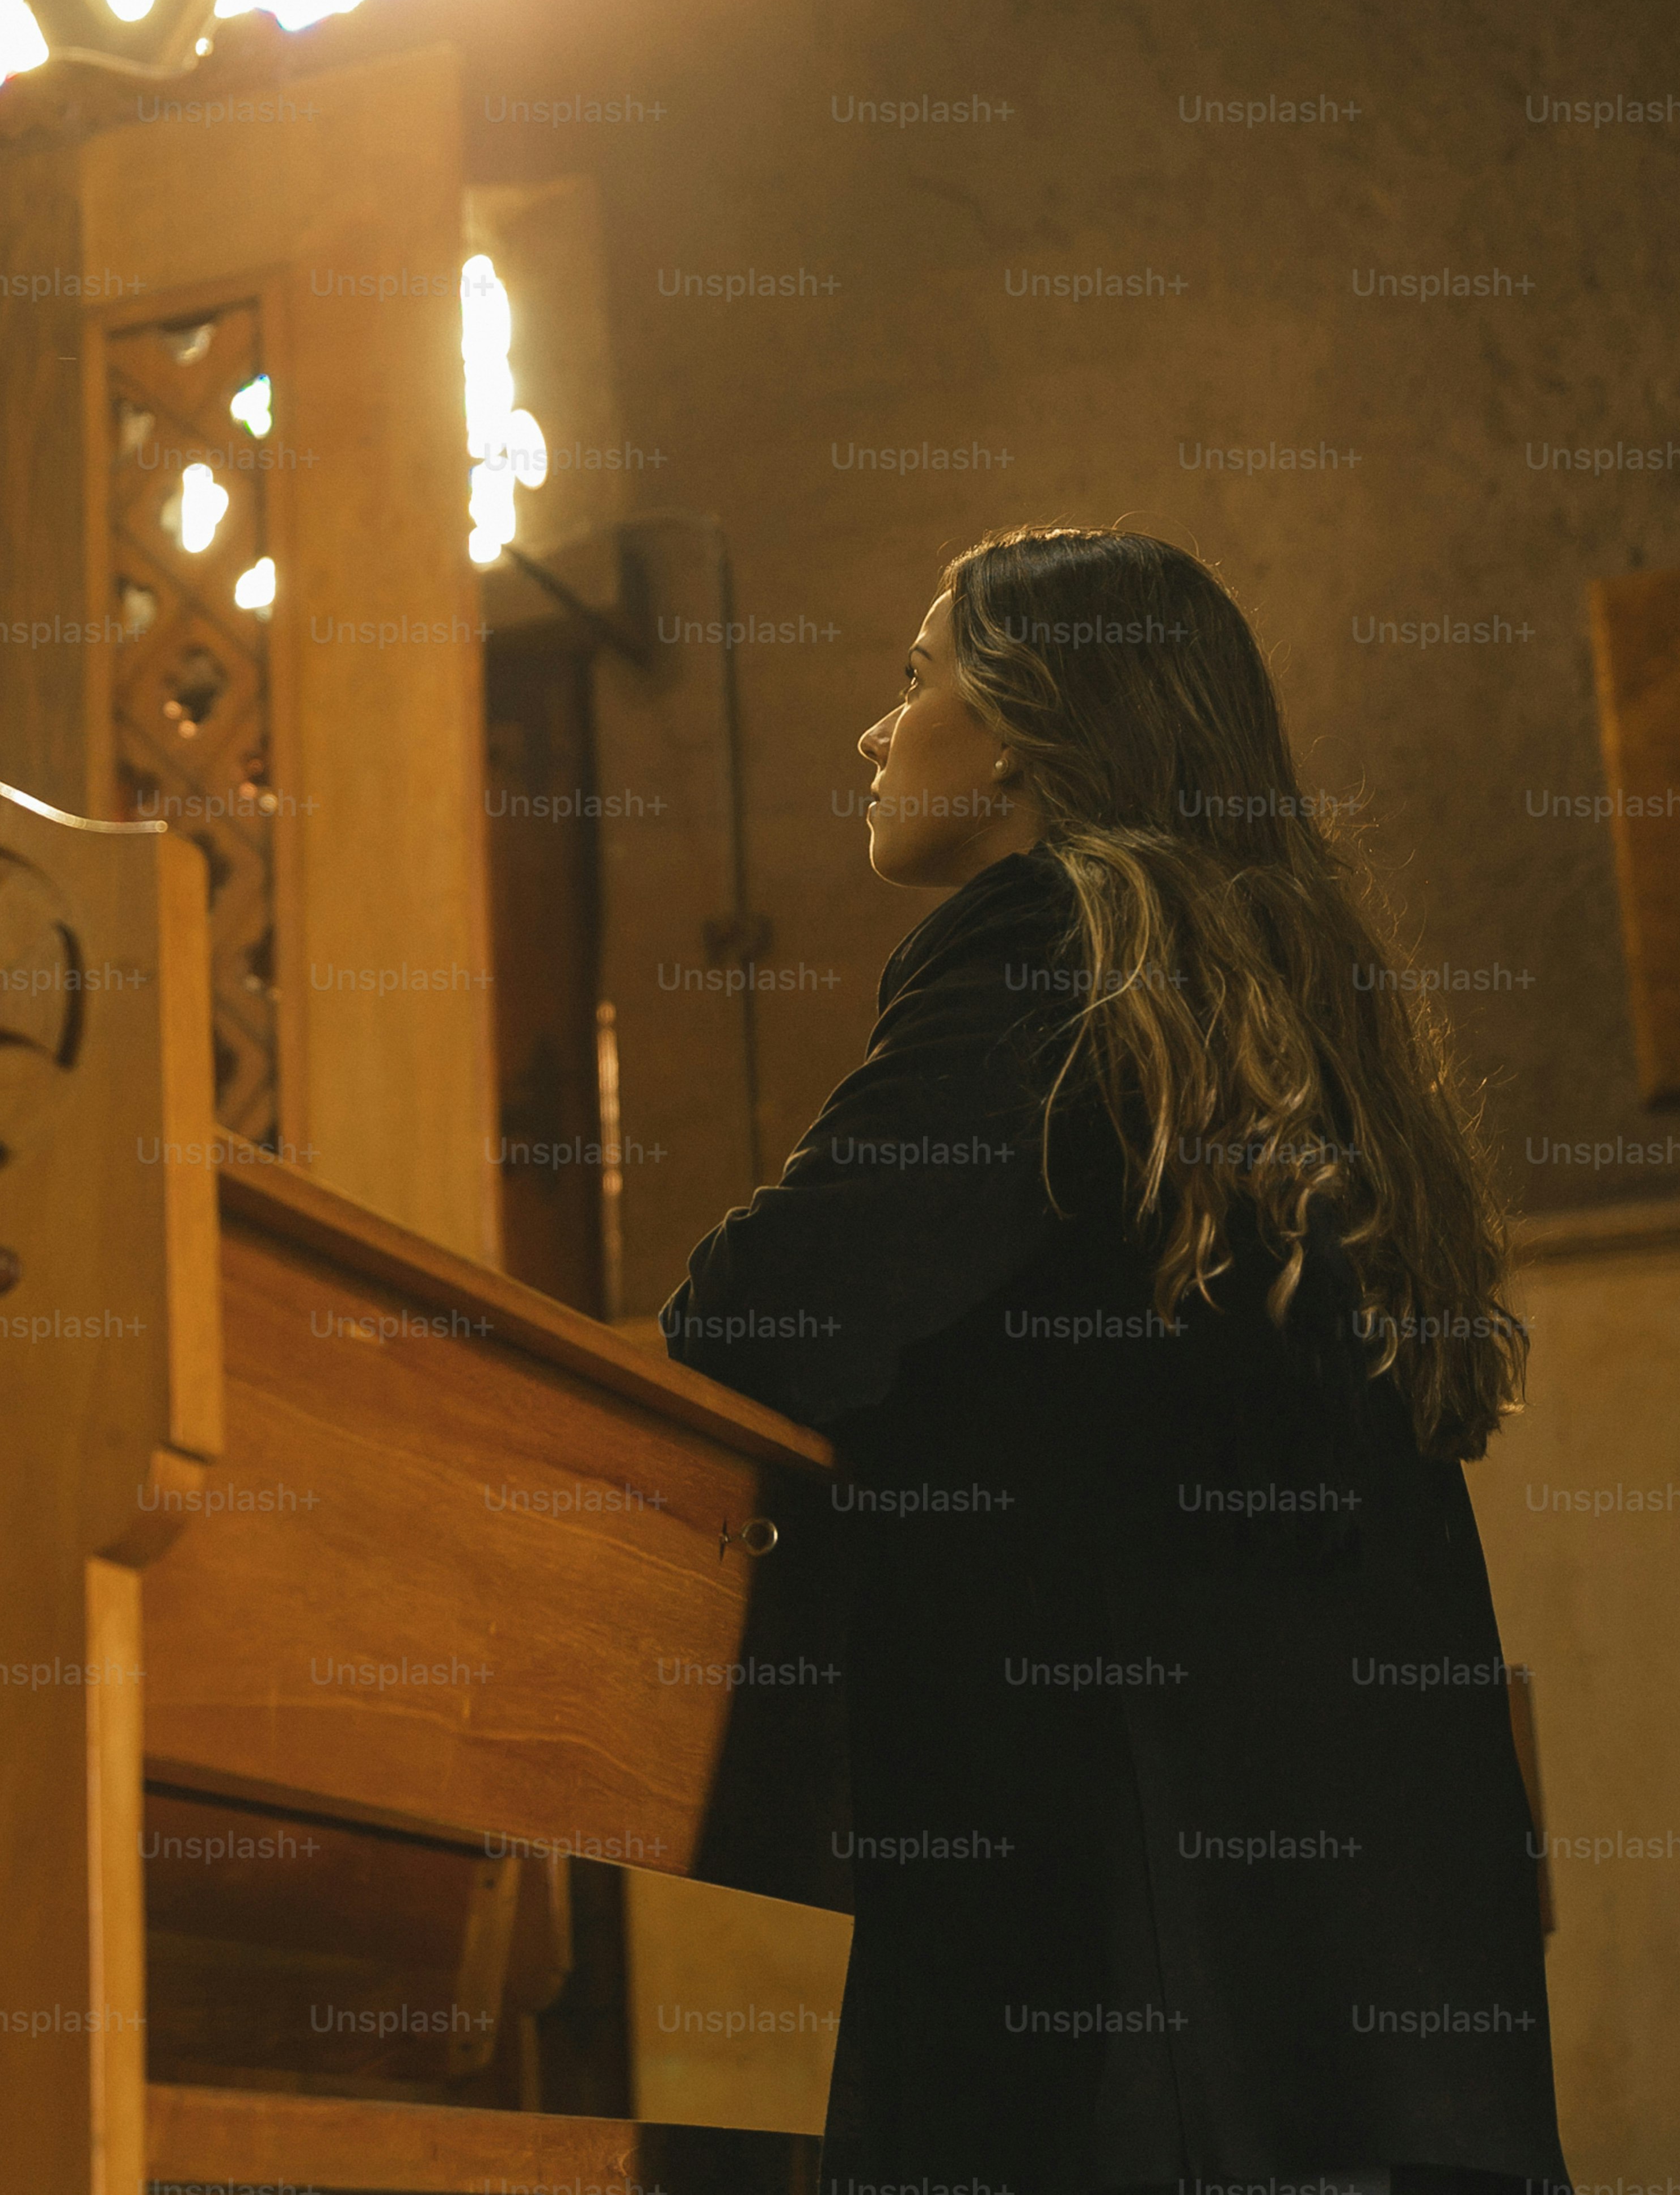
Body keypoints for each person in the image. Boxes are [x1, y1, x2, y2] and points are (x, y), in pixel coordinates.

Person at [662, 526, 1573, 2193]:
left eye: (914, 674)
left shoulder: (1041, 939)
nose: (877, 731)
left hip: (1120, 1912)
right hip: (1369, 1909)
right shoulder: (1300, 992)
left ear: (1016, 723)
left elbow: (766, 1312)